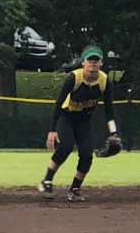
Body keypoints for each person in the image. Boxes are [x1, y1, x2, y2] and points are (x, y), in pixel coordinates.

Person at [39, 45, 120, 201]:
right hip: (66, 116)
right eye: (90, 60)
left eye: (96, 60)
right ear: (83, 62)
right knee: (65, 147)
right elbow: (58, 104)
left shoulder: (104, 81)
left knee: (87, 155)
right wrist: (52, 130)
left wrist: (114, 132)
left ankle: (75, 189)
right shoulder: (74, 78)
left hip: (85, 119)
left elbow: (109, 110)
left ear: (101, 63)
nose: (93, 63)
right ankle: (47, 181)